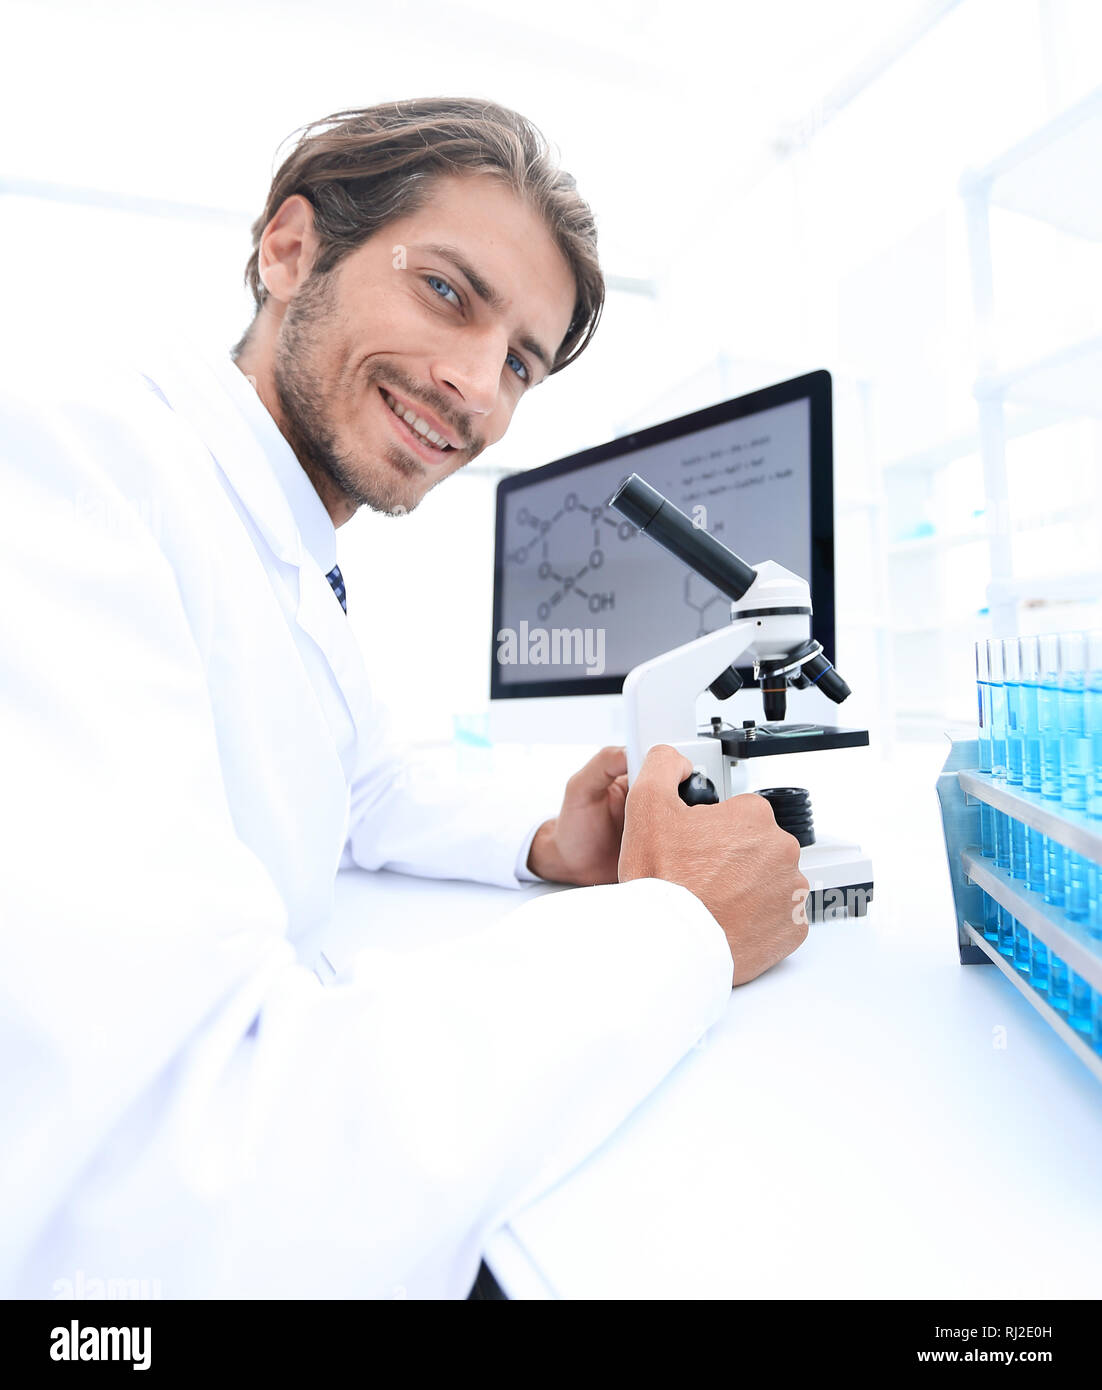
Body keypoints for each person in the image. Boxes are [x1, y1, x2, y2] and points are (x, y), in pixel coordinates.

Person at [0, 98, 808, 1300]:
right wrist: (683, 927)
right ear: (288, 250)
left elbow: (361, 778)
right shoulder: (78, 456)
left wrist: (544, 839)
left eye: (521, 362)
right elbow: (170, 1174)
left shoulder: (283, 544)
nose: (476, 388)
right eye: (446, 292)